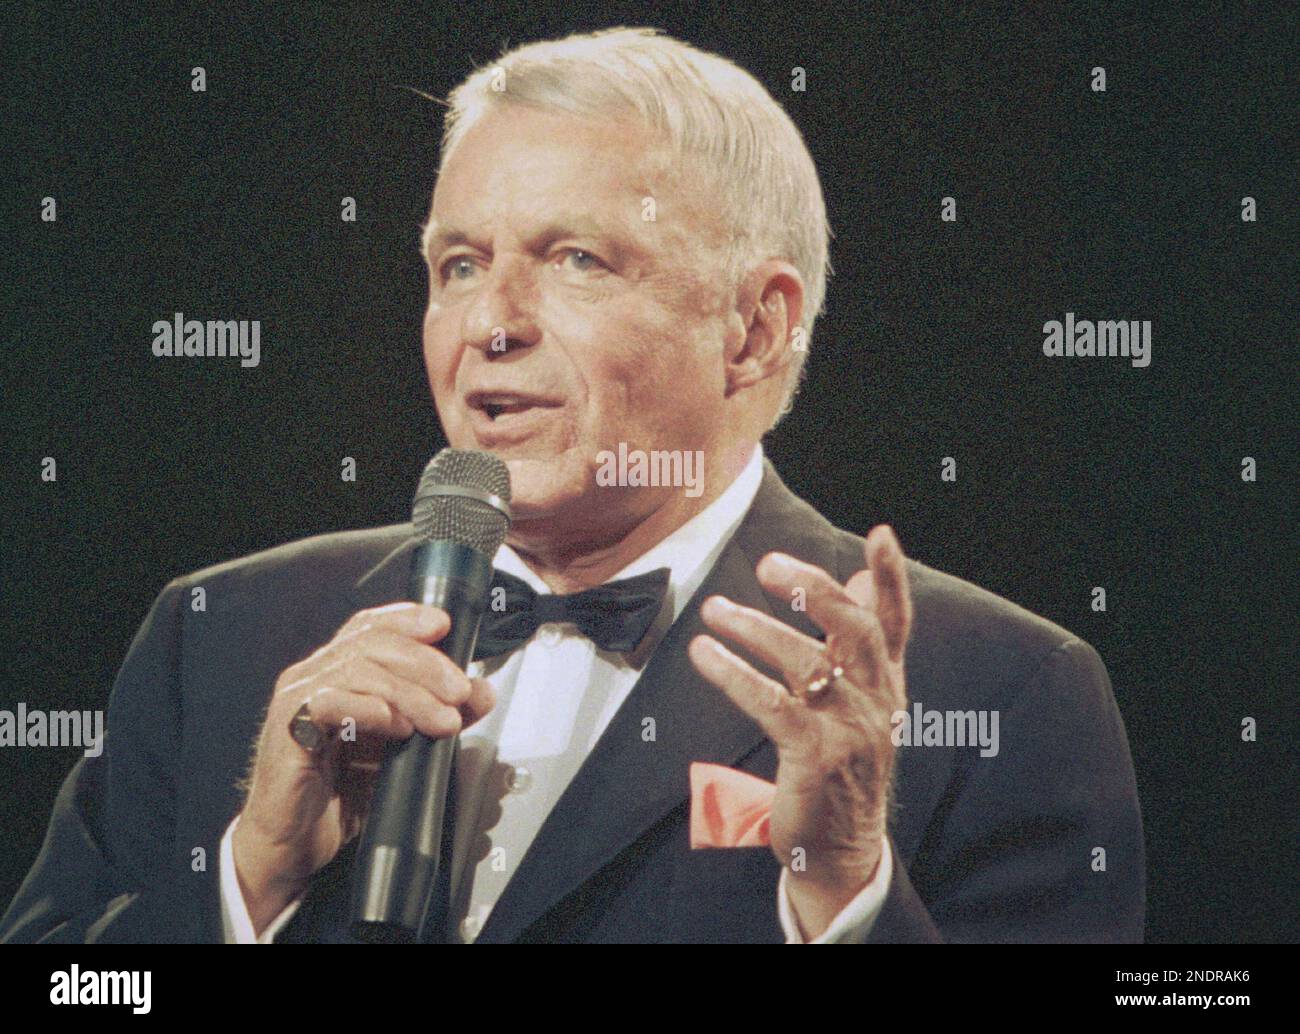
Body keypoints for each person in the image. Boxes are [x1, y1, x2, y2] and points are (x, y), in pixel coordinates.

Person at [1, 27, 1144, 944]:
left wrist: (844, 890)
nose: (490, 324)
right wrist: (243, 880)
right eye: (458, 265)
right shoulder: (226, 636)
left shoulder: (998, 690)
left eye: (574, 259)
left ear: (753, 329)